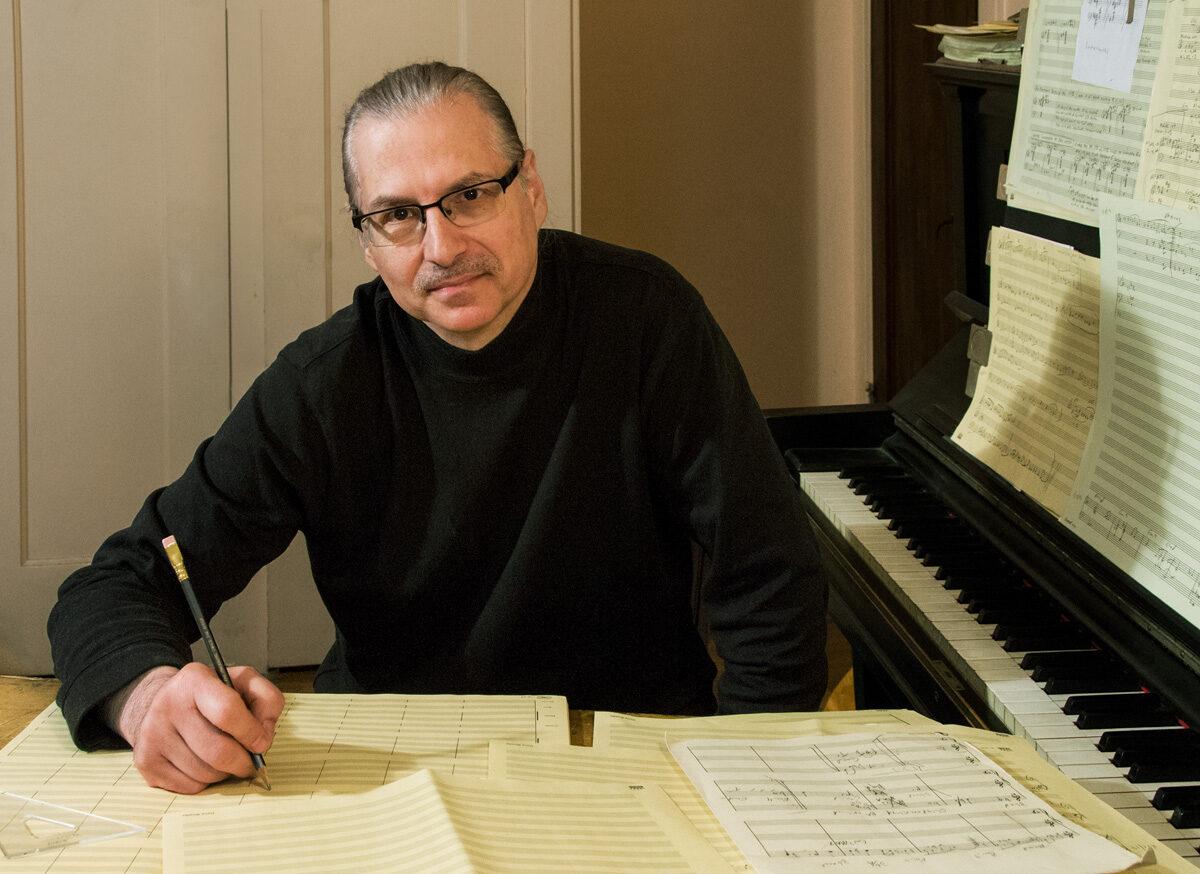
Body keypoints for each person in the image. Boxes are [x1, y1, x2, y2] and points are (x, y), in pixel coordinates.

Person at [48, 61, 827, 794]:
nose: (442, 247)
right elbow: (114, 586)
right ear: (366, 240)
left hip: (626, 747)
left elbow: (771, 578)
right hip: (399, 763)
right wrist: (148, 700)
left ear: (532, 189)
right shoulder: (324, 383)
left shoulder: (649, 321)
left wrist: (749, 775)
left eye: (470, 195)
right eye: (397, 215)